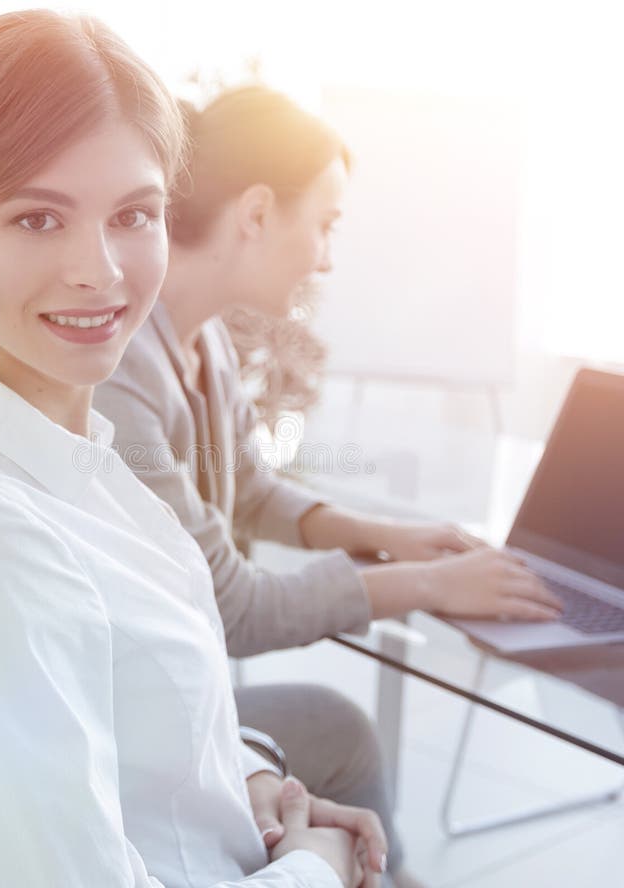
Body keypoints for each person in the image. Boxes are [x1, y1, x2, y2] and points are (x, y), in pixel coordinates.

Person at [0, 13, 388, 888]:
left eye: (134, 213)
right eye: (36, 219)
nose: (101, 270)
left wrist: (247, 777)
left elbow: (134, 695)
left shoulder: (51, 445)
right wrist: (319, 865)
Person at [94, 86, 565, 887]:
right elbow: (235, 607)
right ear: (255, 214)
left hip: (164, 699)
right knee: (337, 726)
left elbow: (248, 490)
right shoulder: (121, 374)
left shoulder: (199, 341)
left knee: (338, 729)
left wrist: (387, 537)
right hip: (121, 724)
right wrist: (424, 582)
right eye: (325, 224)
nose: (327, 256)